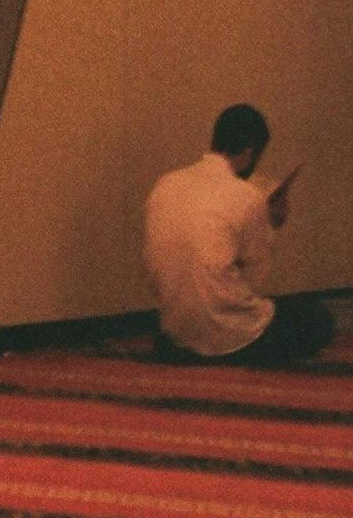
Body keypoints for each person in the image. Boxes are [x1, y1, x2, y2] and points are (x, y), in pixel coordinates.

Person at [143, 103, 335, 367]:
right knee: (317, 318)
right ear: (248, 153)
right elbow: (256, 282)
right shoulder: (248, 197)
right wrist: (272, 223)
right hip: (233, 334)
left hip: (176, 330)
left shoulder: (166, 183)